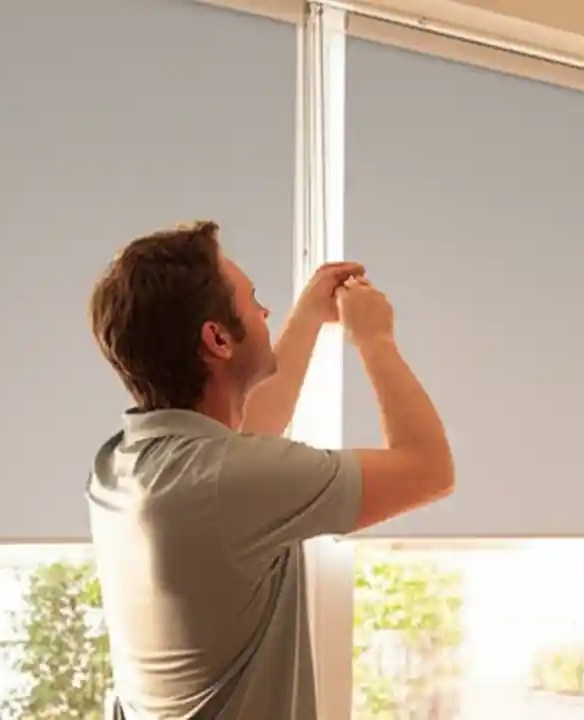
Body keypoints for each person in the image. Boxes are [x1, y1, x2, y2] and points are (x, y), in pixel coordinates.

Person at [86, 220, 453, 719]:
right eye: (253, 300)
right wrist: (375, 339)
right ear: (217, 338)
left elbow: (246, 443)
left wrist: (309, 316)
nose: (264, 311)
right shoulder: (224, 482)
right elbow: (428, 469)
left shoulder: (122, 466)